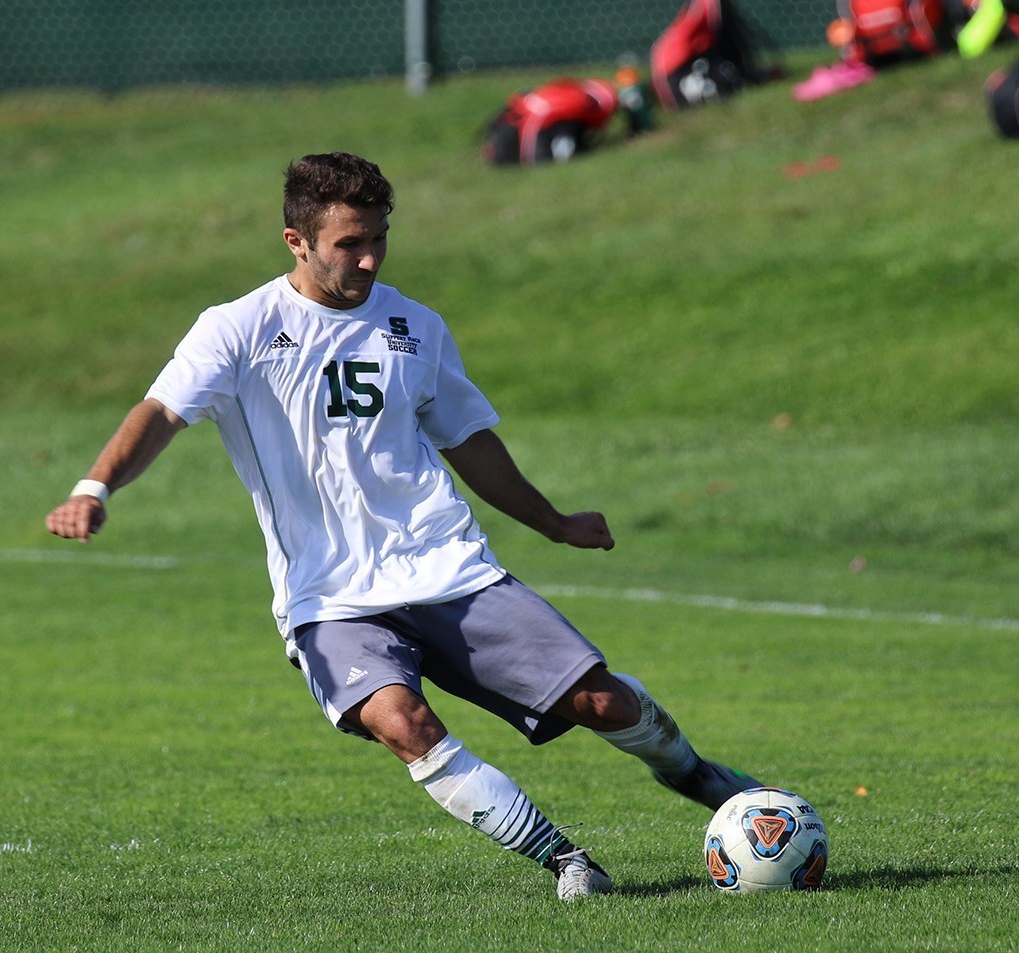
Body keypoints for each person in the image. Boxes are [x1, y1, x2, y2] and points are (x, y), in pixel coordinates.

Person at [46, 152, 760, 901]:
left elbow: (468, 440)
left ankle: (699, 777)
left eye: (379, 239)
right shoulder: (237, 329)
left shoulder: (414, 327)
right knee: (402, 721)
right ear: (296, 241)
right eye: (349, 242)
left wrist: (551, 521)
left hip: (444, 566)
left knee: (602, 702)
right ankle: (567, 863)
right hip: (329, 597)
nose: (368, 257)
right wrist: (97, 486)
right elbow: (161, 412)